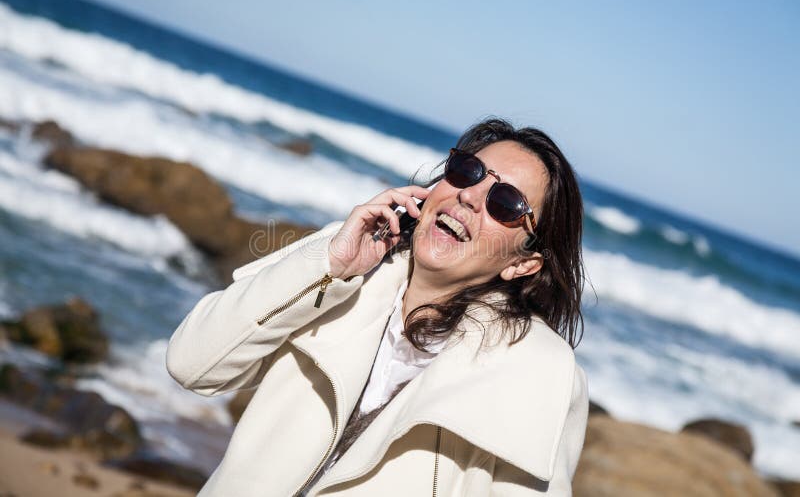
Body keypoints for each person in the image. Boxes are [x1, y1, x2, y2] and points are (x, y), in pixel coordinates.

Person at [166, 118, 589, 496]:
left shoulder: (540, 373)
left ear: (523, 263)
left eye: (507, 204)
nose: (471, 197)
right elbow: (192, 364)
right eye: (467, 172)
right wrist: (331, 268)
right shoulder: (336, 271)